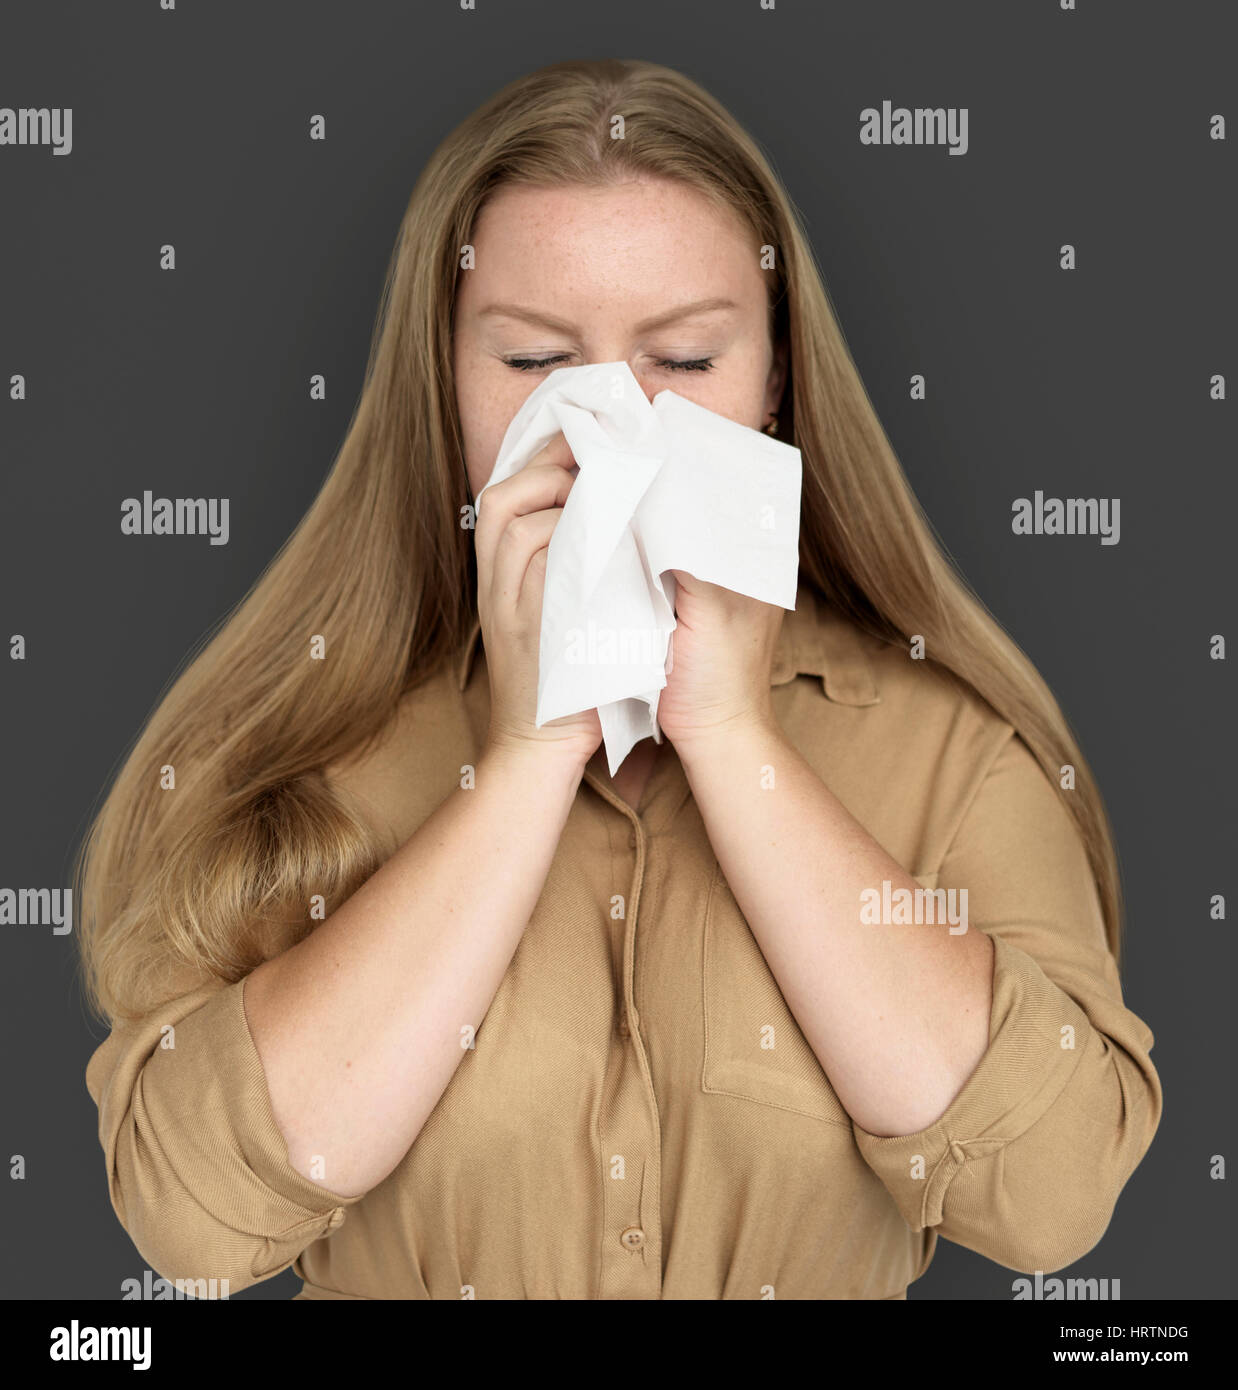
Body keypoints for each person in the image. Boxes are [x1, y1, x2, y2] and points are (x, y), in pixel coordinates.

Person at [76, 58, 1161, 1300]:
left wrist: (731, 736)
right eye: (538, 361)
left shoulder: (950, 761)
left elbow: (1055, 1194)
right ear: (445, 390)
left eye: (687, 363)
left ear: (773, 385)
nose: (613, 431)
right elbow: (190, 1225)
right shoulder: (295, 746)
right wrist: (533, 752)